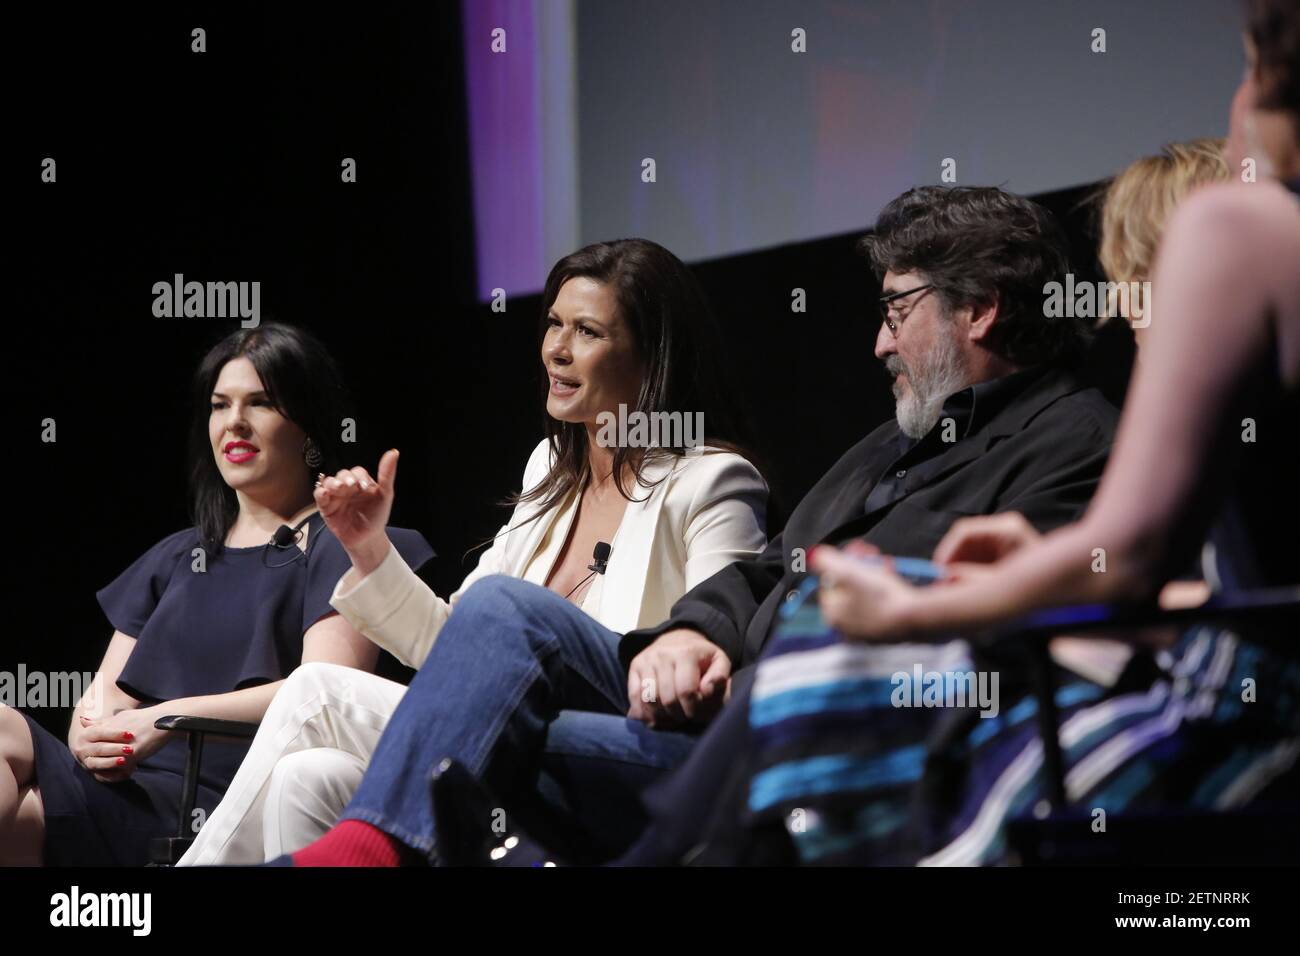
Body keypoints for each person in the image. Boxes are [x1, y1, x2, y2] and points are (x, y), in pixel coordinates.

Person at [283, 183, 1122, 866]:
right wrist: (698, 630)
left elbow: (996, 628)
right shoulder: (884, 448)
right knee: (502, 611)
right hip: (712, 704)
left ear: (977, 310)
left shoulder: (1073, 443)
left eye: (896, 310)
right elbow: (767, 571)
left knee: (490, 732)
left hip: (798, 742)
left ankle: (368, 854)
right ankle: (369, 853)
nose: (877, 343)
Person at [762, 0, 1300, 865]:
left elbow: (1131, 560)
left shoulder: (1236, 229)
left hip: (1252, 722)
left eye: (1244, 67)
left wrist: (917, 608)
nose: (1123, 310)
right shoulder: (875, 450)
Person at [178, 238, 768, 864]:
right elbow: (459, 647)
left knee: (318, 690)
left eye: (588, 332)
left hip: (622, 735)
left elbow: (713, 663)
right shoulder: (550, 469)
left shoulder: (712, 481)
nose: (556, 350)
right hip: (511, 718)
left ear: (652, 357)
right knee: (311, 775)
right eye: (553, 324)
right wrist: (369, 549)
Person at [0, 323, 433, 866]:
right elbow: (102, 698)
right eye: (219, 404)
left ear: (307, 424)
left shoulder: (340, 544)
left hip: (225, 803)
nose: (235, 422)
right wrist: (87, 735)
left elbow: (320, 694)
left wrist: (164, 719)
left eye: (261, 403)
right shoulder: (177, 556)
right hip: (129, 789)